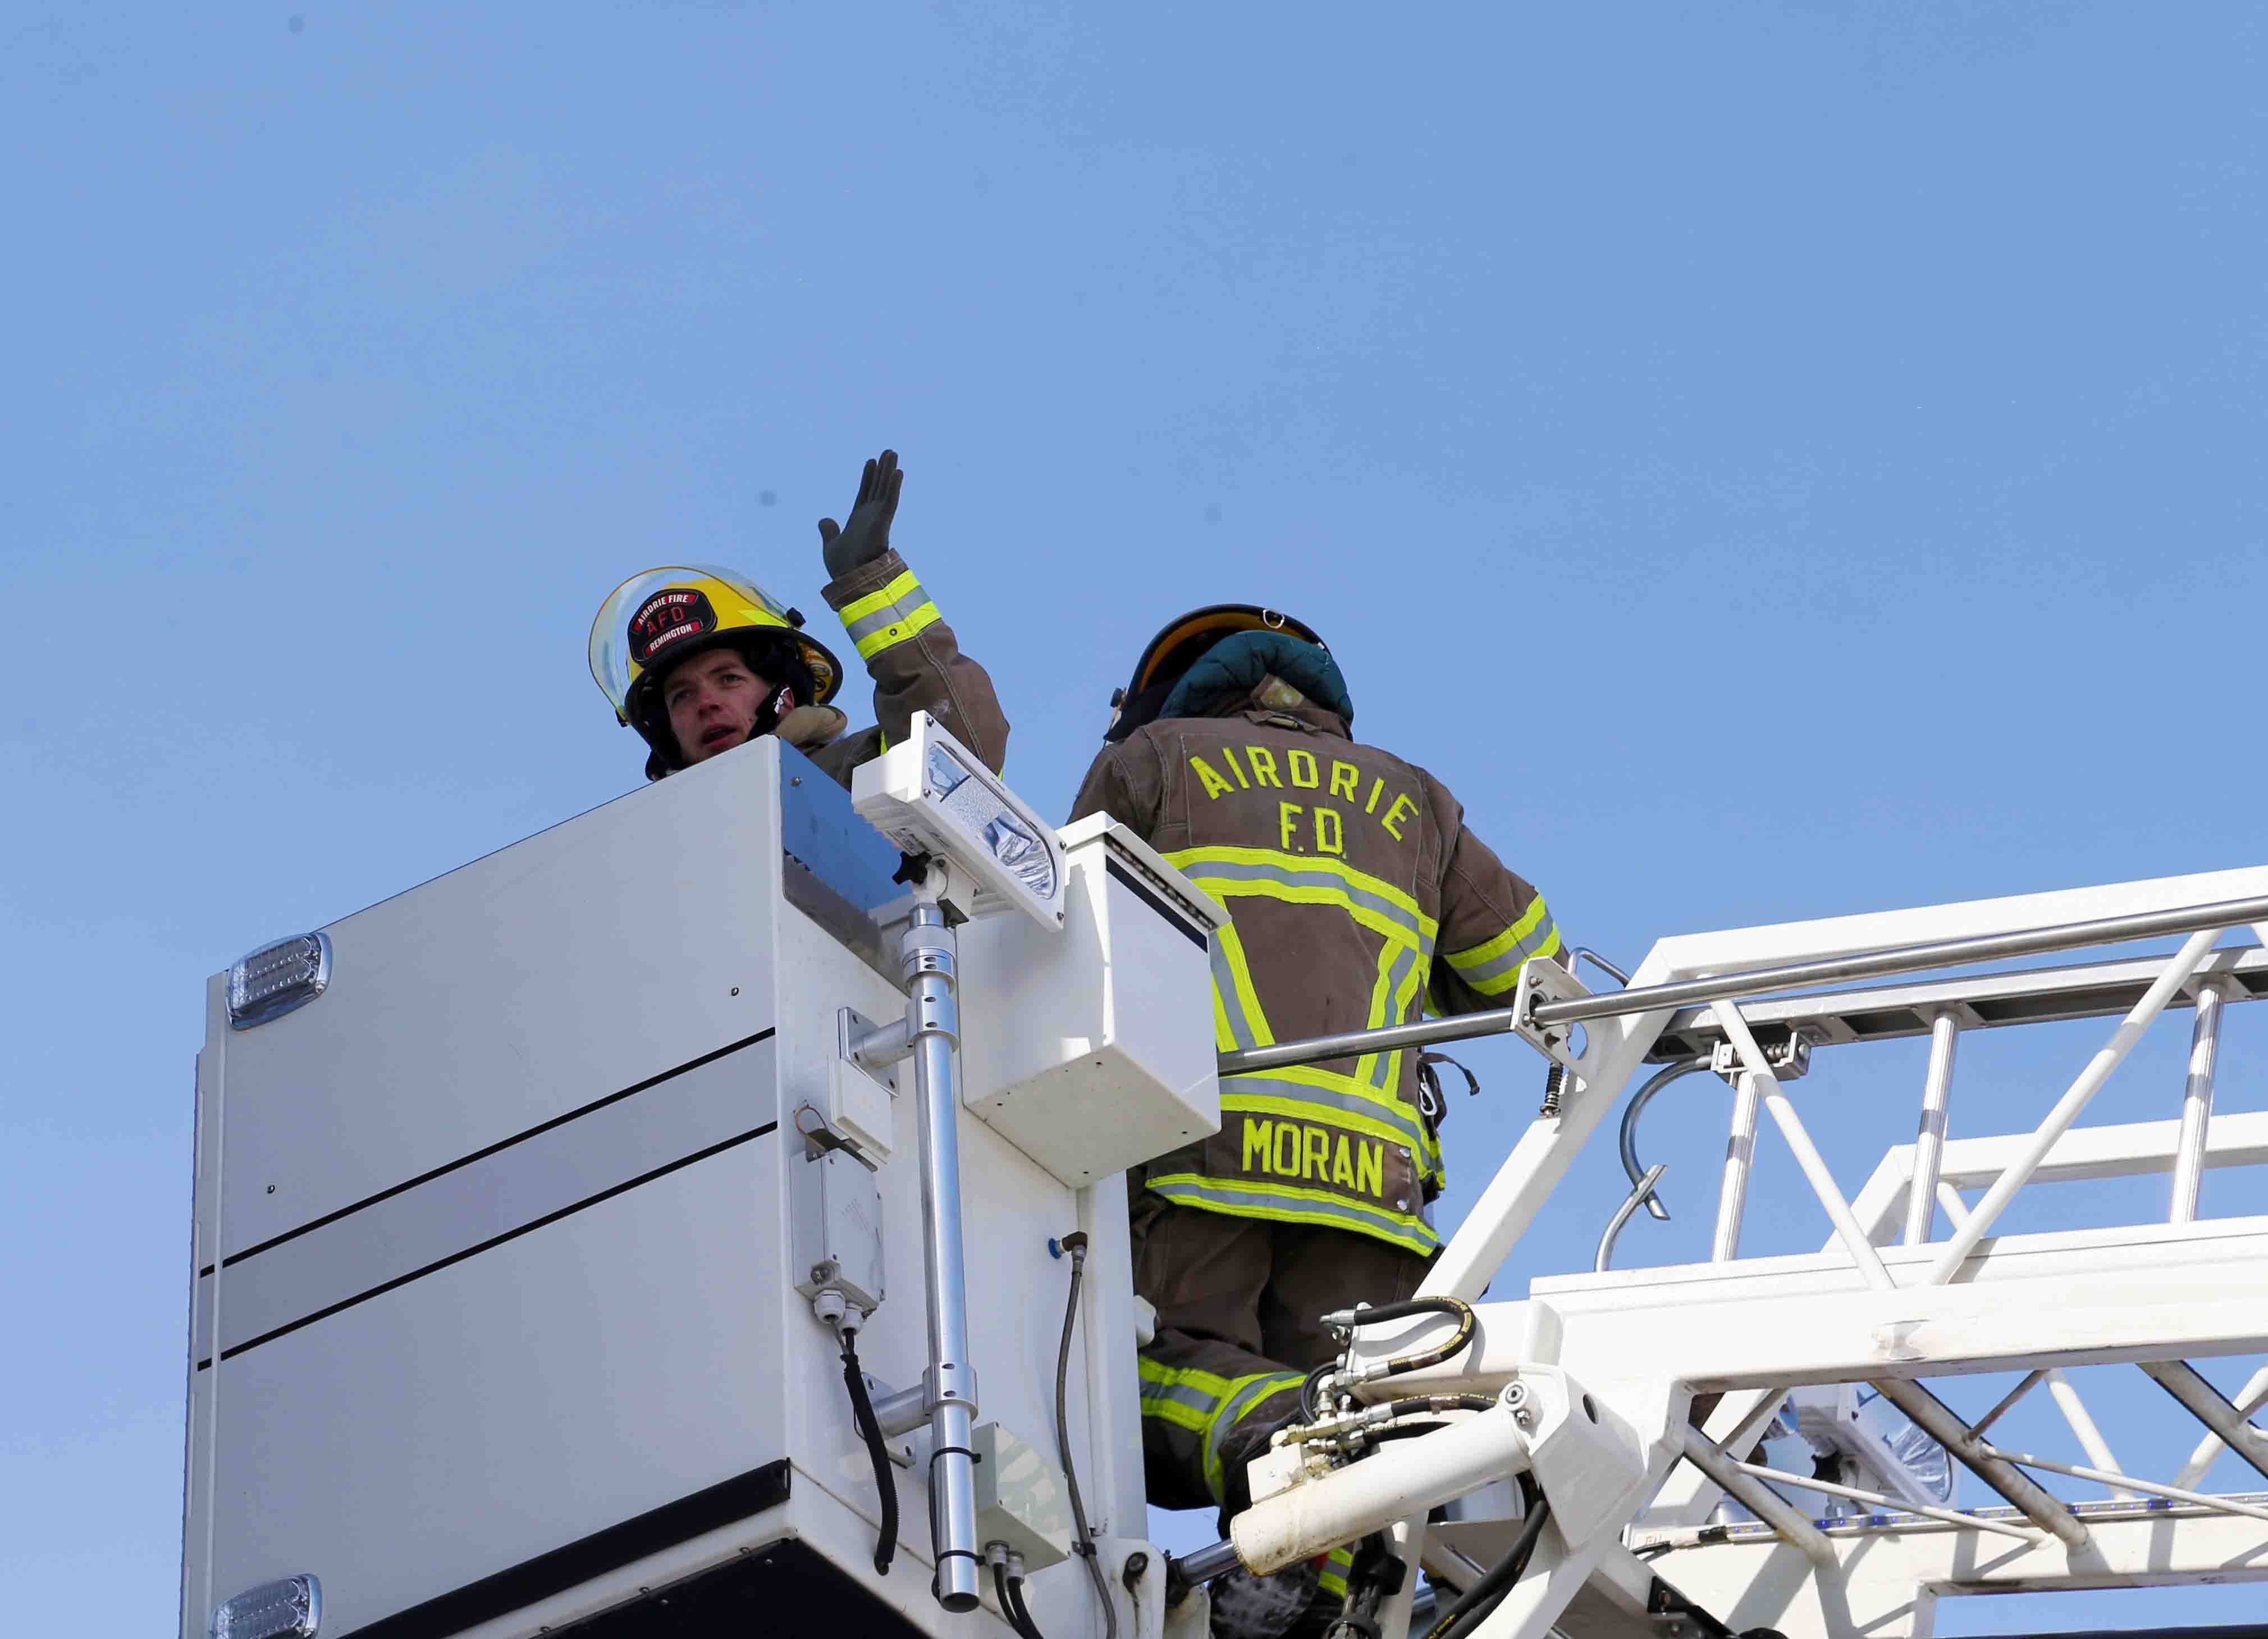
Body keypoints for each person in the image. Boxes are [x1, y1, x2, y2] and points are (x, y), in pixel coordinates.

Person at [1069, 605, 1563, 1635]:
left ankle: (1271, 1437)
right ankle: (1313, 1593)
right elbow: (1526, 968)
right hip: (1374, 1189)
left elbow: (1063, 945)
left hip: (1204, 1154)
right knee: (1362, 1424)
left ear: (1171, 690)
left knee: (1128, 1379)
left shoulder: (1154, 761)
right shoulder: (1418, 799)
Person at [588, 450, 1007, 787]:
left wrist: (869, 580)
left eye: (729, 678)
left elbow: (956, 755)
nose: (707, 704)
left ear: (785, 697)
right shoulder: (643, 848)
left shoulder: (847, 776)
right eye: (681, 696)